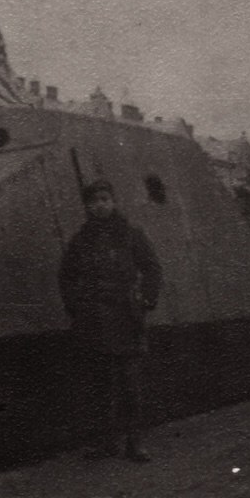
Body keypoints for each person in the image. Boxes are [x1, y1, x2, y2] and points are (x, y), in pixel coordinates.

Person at [58, 178, 163, 462]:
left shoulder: (131, 234)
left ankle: (135, 443)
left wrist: (146, 300)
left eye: (105, 199)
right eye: (93, 201)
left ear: (113, 202)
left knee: (130, 383)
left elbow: (152, 268)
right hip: (94, 319)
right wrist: (76, 307)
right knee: (101, 384)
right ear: (87, 207)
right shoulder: (81, 241)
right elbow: (66, 277)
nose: (100, 205)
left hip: (126, 317)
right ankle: (107, 442)